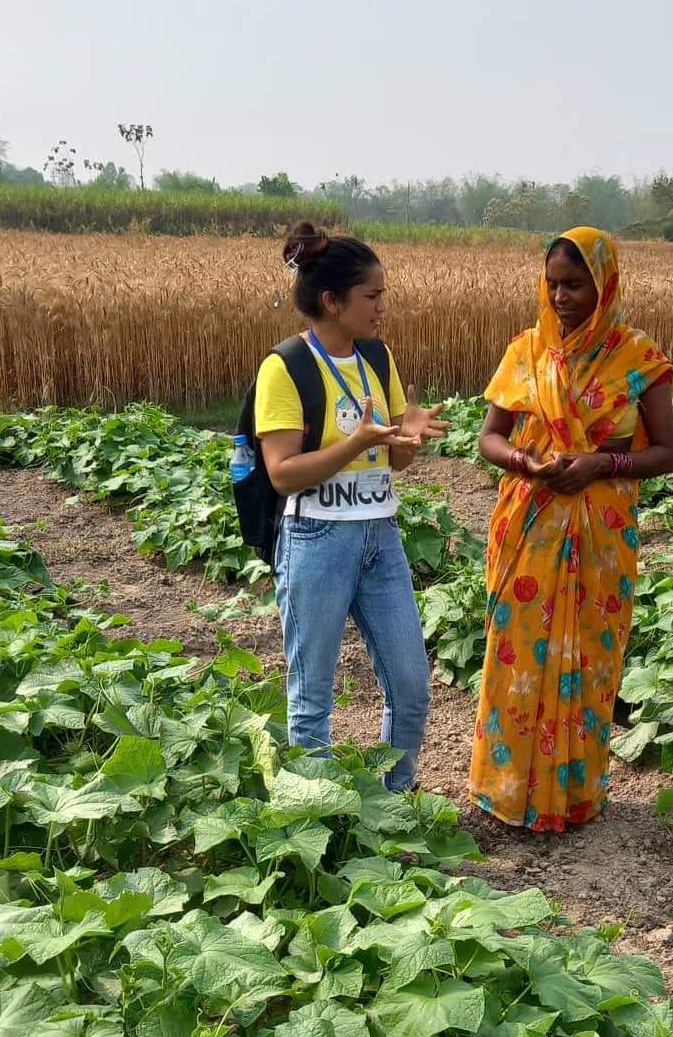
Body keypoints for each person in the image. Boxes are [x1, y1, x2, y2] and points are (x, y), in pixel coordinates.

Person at [469, 227, 673, 832]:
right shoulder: (526, 352)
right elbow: (490, 436)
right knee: (516, 655)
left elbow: (666, 452)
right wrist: (526, 462)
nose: (560, 296)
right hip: (527, 524)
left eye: (575, 283)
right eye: (553, 284)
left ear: (604, 281)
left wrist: (600, 464)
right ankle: (506, 789)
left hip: (600, 534)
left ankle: (575, 796)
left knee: (589, 657)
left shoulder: (637, 357)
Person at [255, 222, 449, 792]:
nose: (381, 306)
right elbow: (283, 474)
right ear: (331, 301)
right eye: (372, 296)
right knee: (312, 699)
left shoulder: (375, 357)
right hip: (316, 538)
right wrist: (359, 443)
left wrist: (405, 439)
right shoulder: (284, 367)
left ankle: (390, 803)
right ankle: (317, 815)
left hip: (379, 538)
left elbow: (394, 462)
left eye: (382, 295)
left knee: (412, 688)